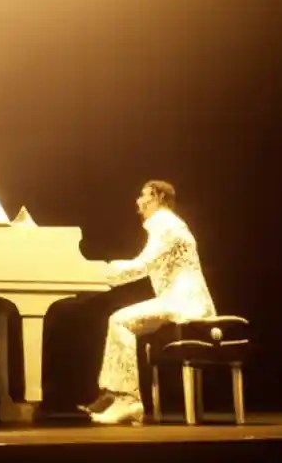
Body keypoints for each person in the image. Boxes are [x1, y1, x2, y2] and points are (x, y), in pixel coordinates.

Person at [84, 180, 217, 425]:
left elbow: (144, 265)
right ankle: (113, 393)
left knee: (120, 321)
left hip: (184, 302)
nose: (137, 201)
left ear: (156, 196)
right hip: (180, 300)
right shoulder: (171, 223)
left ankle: (128, 399)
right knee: (122, 320)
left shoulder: (163, 222)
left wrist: (101, 272)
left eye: (142, 195)